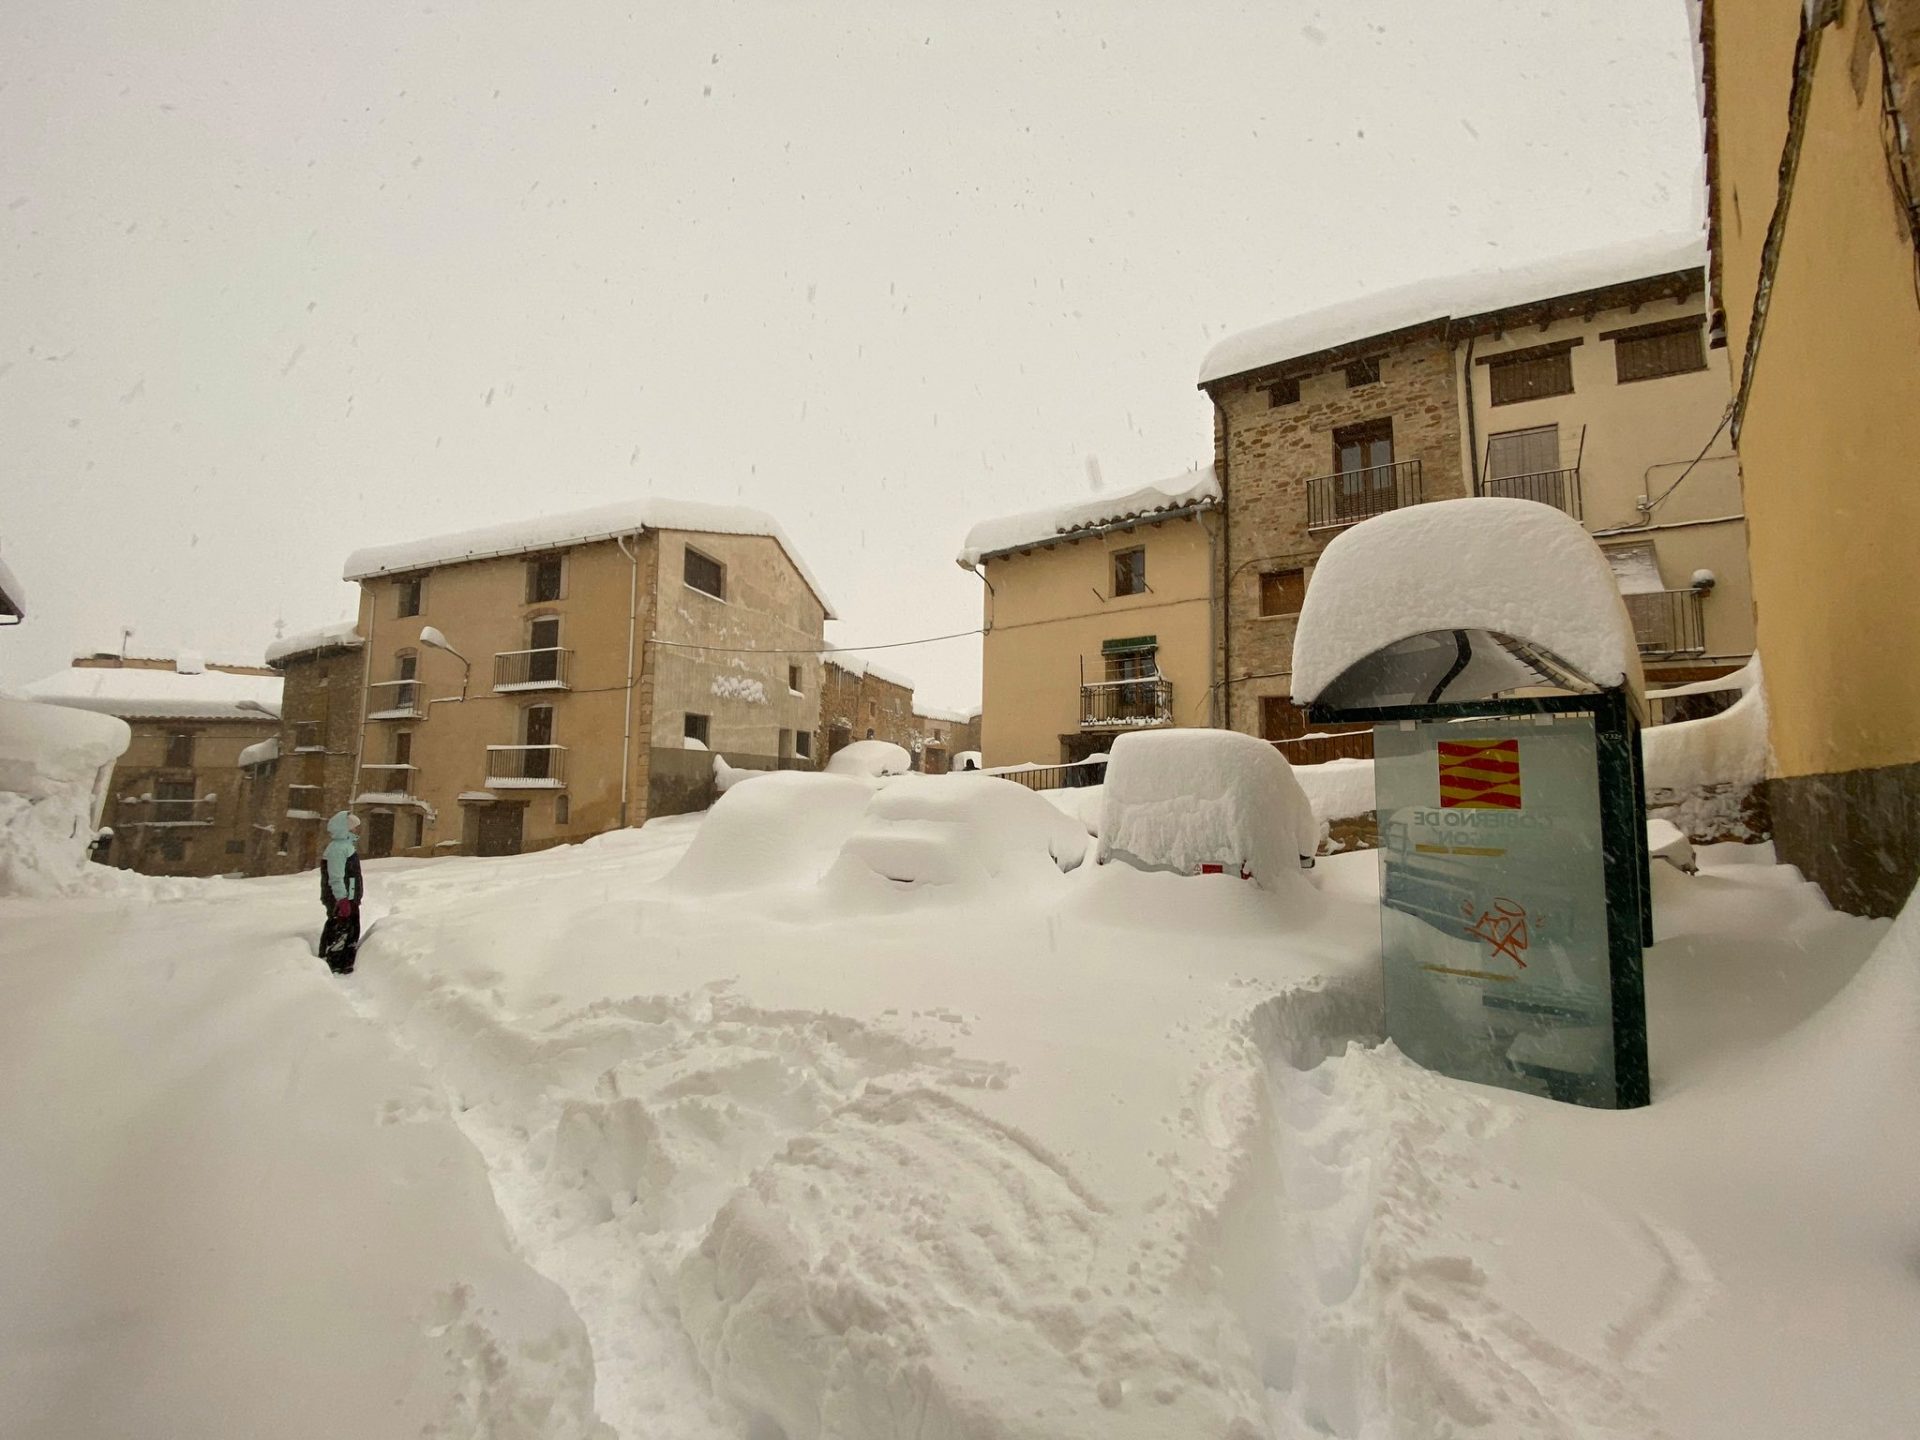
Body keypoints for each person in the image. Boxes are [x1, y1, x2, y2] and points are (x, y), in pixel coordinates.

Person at [319, 811, 364, 974]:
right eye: (353, 828)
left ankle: (344, 961)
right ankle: (334, 963)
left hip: (349, 897)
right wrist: (342, 899)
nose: (356, 831)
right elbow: (336, 877)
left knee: (349, 928)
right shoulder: (338, 849)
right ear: (344, 829)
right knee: (340, 929)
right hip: (342, 898)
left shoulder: (345, 846)